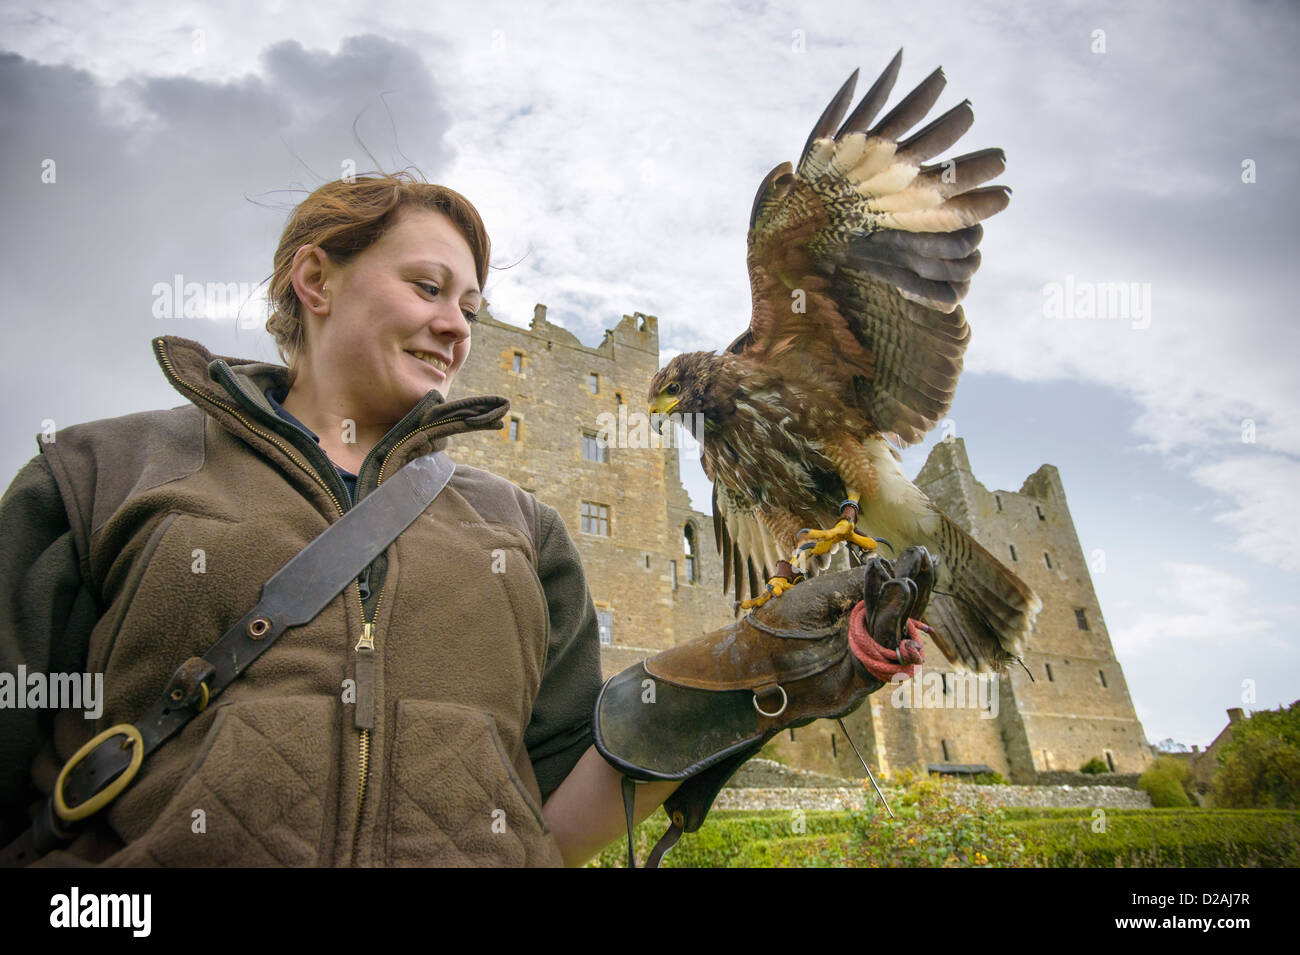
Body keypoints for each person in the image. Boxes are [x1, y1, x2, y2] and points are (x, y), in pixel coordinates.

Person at [0, 170, 892, 868]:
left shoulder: (522, 531)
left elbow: (552, 820)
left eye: (468, 307)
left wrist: (751, 677)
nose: (455, 326)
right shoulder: (99, 474)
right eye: (428, 287)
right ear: (315, 277)